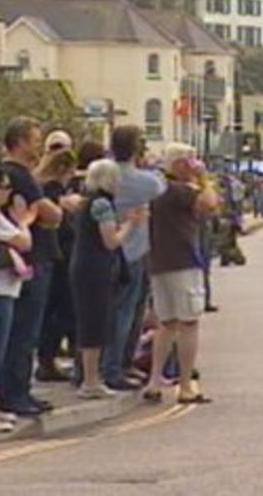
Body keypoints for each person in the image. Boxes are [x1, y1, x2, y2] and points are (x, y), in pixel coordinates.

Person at [0, 117, 65, 417]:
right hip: (32, 258)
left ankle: (15, 391)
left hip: (17, 260)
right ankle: (16, 393)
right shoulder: (22, 176)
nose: (39, 146)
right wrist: (53, 209)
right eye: (36, 140)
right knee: (25, 331)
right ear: (22, 142)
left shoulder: (4, 174)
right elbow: (52, 216)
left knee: (15, 330)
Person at [143, 144, 220, 404]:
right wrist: (203, 178)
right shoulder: (179, 190)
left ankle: (155, 381)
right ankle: (185, 385)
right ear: (179, 164)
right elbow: (210, 204)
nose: (195, 164)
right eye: (191, 160)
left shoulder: (156, 188)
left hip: (159, 261)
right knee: (189, 323)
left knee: (166, 323)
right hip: (183, 261)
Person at [70, 159, 149, 399]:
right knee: (93, 323)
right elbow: (111, 241)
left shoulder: (89, 202)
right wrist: (132, 225)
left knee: (93, 321)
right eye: (116, 178)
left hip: (86, 267)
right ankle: (91, 381)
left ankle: (90, 376)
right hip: (94, 269)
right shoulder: (102, 204)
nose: (119, 183)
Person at [102, 126, 166, 391]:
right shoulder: (145, 180)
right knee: (128, 312)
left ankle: (119, 365)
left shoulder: (104, 175)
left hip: (108, 249)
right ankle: (117, 367)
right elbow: (161, 187)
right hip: (136, 249)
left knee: (123, 310)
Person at [0, 168, 33, 431]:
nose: (7, 192)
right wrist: (23, 221)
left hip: (3, 289)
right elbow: (24, 242)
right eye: (2, 186)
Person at [33, 148, 80, 383]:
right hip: (60, 256)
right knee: (60, 311)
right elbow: (61, 225)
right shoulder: (54, 190)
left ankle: (47, 359)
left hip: (55, 255)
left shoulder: (42, 187)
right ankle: (47, 360)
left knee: (52, 311)